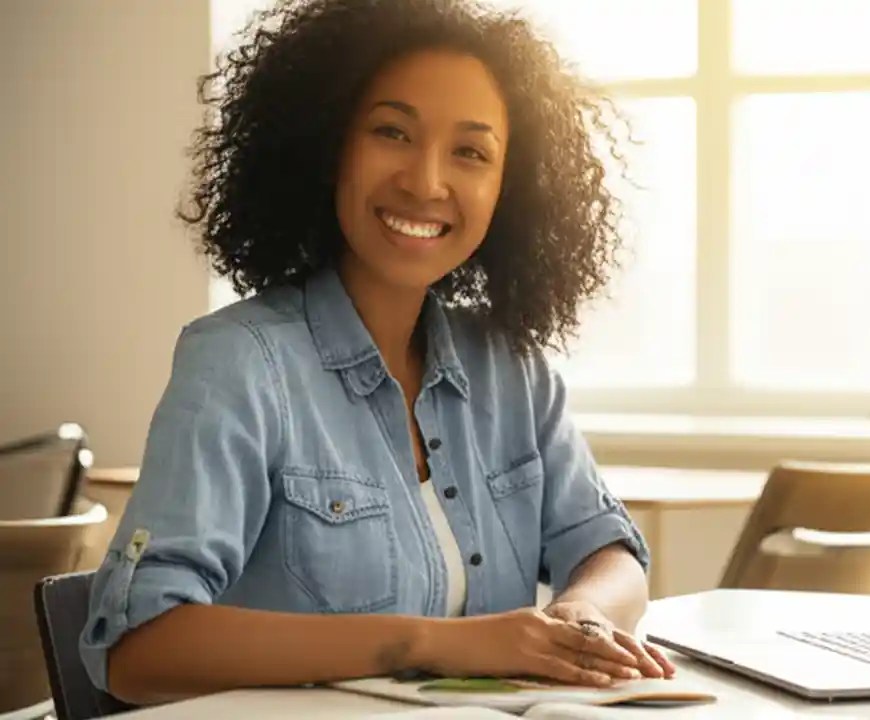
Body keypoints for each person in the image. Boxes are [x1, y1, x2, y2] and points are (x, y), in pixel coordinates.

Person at [79, 0, 674, 705]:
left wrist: (582, 619)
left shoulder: (510, 368)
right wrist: (432, 643)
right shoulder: (240, 363)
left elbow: (609, 549)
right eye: (393, 132)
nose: (426, 182)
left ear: (509, 187)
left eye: (470, 152)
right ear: (328, 144)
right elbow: (140, 650)